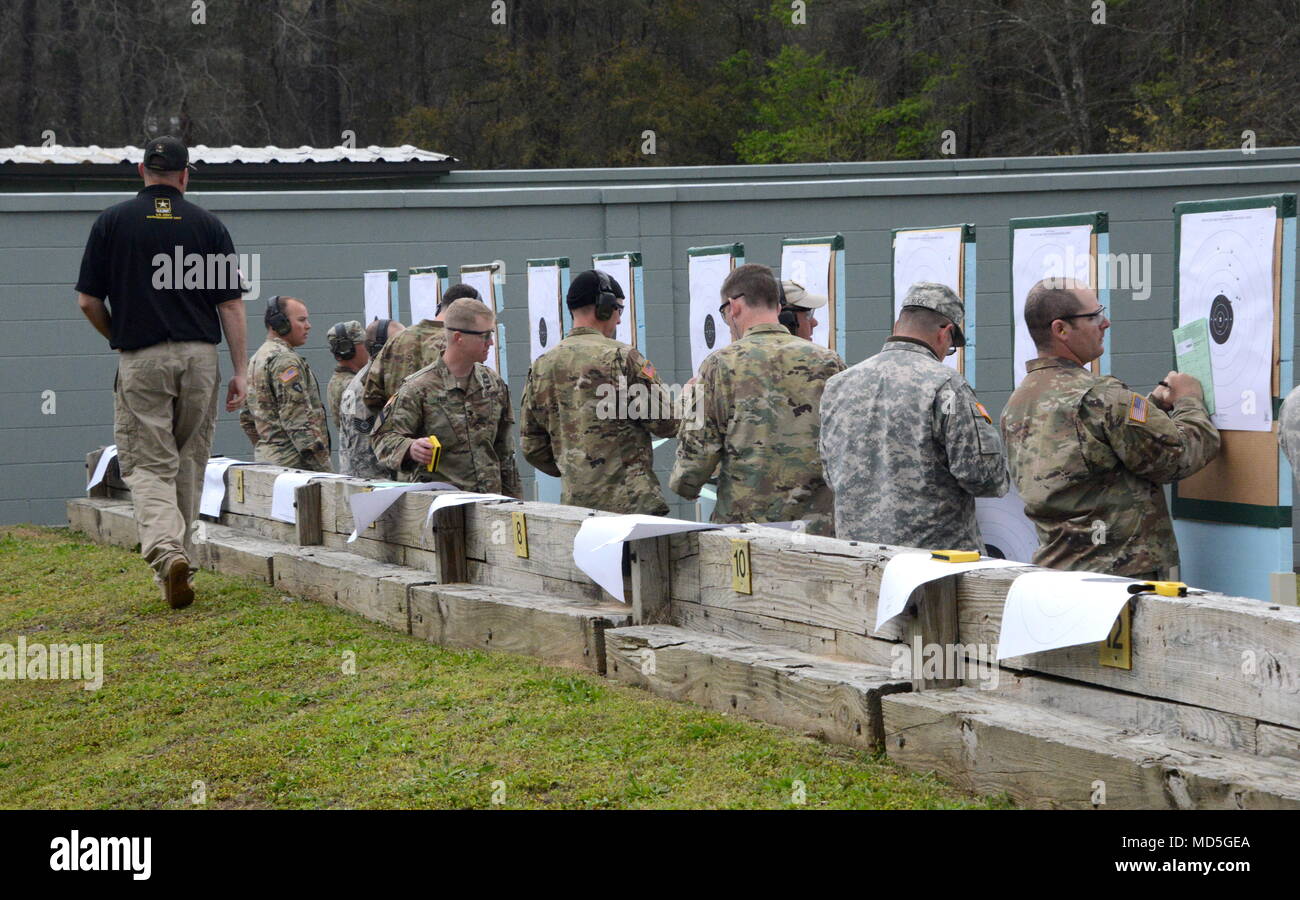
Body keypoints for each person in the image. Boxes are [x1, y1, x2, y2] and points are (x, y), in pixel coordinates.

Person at [75, 135, 247, 610]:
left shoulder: (112, 223)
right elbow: (230, 303)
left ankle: (167, 552)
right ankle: (183, 560)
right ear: (186, 176)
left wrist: (117, 335)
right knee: (189, 459)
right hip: (200, 357)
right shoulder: (208, 226)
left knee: (148, 463)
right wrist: (241, 371)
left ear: (140, 172)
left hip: (142, 356)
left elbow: (88, 300)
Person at [1001, 278, 1220, 579]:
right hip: (1119, 579)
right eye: (1094, 317)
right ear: (1061, 329)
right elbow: (1178, 456)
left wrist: (1151, 405)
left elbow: (1097, 445)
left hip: (1055, 574)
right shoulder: (1101, 397)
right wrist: (1189, 400)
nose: (1106, 323)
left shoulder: (1019, 401)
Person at [820, 282, 1008, 550]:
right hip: (933, 567)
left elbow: (831, 475)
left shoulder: (837, 385)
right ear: (946, 332)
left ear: (899, 325)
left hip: (860, 561)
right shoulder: (946, 385)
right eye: (952, 346)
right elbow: (984, 477)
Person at [670, 263, 844, 535]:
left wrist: (685, 485)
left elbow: (695, 463)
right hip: (816, 530)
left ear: (734, 306)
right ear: (777, 308)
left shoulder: (719, 365)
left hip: (747, 531)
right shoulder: (828, 362)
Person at [520, 270, 678, 514]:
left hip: (577, 507)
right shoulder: (622, 357)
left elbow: (532, 447)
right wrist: (689, 398)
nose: (619, 320)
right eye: (618, 310)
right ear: (604, 307)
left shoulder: (541, 365)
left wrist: (576, 468)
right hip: (631, 506)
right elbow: (666, 423)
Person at [370, 299, 522, 496]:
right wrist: (410, 448)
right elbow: (382, 438)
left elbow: (505, 454)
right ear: (459, 337)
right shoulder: (418, 388)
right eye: (485, 336)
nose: (491, 342)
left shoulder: (493, 384)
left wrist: (515, 504)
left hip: (489, 505)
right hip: (442, 508)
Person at [239, 295, 332, 472]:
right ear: (280, 323)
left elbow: (246, 417)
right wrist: (325, 471)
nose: (308, 325)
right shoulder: (285, 361)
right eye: (301, 320)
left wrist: (269, 448)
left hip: (267, 464)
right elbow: (299, 421)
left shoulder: (257, 359)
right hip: (295, 468)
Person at [362, 282, 481, 412]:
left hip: (397, 430)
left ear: (439, 307)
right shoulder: (460, 345)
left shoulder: (397, 339)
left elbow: (371, 395)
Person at [338, 318, 405, 478]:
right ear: (381, 349)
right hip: (371, 490)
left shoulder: (377, 379)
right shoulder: (365, 388)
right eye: (400, 343)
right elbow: (364, 458)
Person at [325, 320, 367, 426]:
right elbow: (355, 429)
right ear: (347, 349)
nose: (368, 348)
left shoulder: (345, 380)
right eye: (364, 343)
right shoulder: (350, 386)